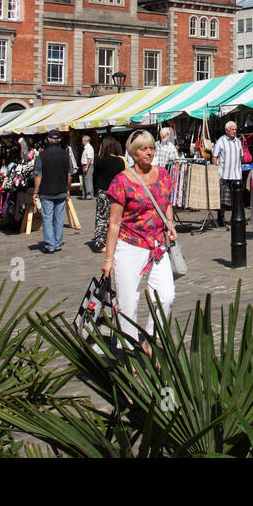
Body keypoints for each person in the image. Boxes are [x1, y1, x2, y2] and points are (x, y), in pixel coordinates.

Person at [100, 130, 179, 350]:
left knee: (166, 296)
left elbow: (166, 204)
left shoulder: (163, 174)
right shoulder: (122, 180)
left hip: (157, 245)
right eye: (144, 149)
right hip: (130, 245)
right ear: (133, 153)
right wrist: (108, 258)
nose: (149, 152)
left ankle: (150, 339)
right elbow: (114, 223)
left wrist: (170, 224)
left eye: (152, 148)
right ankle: (130, 350)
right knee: (128, 303)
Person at [33, 129, 71, 253]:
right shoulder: (65, 154)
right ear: (59, 140)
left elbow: (39, 175)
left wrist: (35, 191)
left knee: (47, 218)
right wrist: (68, 189)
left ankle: (50, 244)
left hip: (47, 190)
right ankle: (58, 243)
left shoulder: (42, 156)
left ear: (48, 140)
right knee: (59, 218)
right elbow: (69, 174)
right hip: (61, 189)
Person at [89, 137, 127, 252]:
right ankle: (116, 240)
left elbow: (95, 176)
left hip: (103, 191)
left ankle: (101, 242)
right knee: (116, 217)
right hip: (116, 192)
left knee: (102, 217)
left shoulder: (100, 160)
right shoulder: (119, 161)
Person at [212, 121, 244, 227]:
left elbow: (241, 156)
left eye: (235, 129)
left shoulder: (238, 141)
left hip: (236, 174)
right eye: (232, 129)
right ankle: (220, 218)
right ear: (227, 130)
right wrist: (216, 170)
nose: (235, 131)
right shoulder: (221, 141)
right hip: (224, 174)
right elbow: (214, 157)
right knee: (223, 199)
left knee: (236, 198)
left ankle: (235, 218)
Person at [80, 134, 96, 200]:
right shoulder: (86, 148)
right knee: (85, 180)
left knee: (88, 180)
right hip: (85, 165)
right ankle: (85, 193)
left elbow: (89, 159)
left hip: (88, 165)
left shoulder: (89, 148)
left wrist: (87, 166)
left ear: (85, 141)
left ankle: (89, 194)